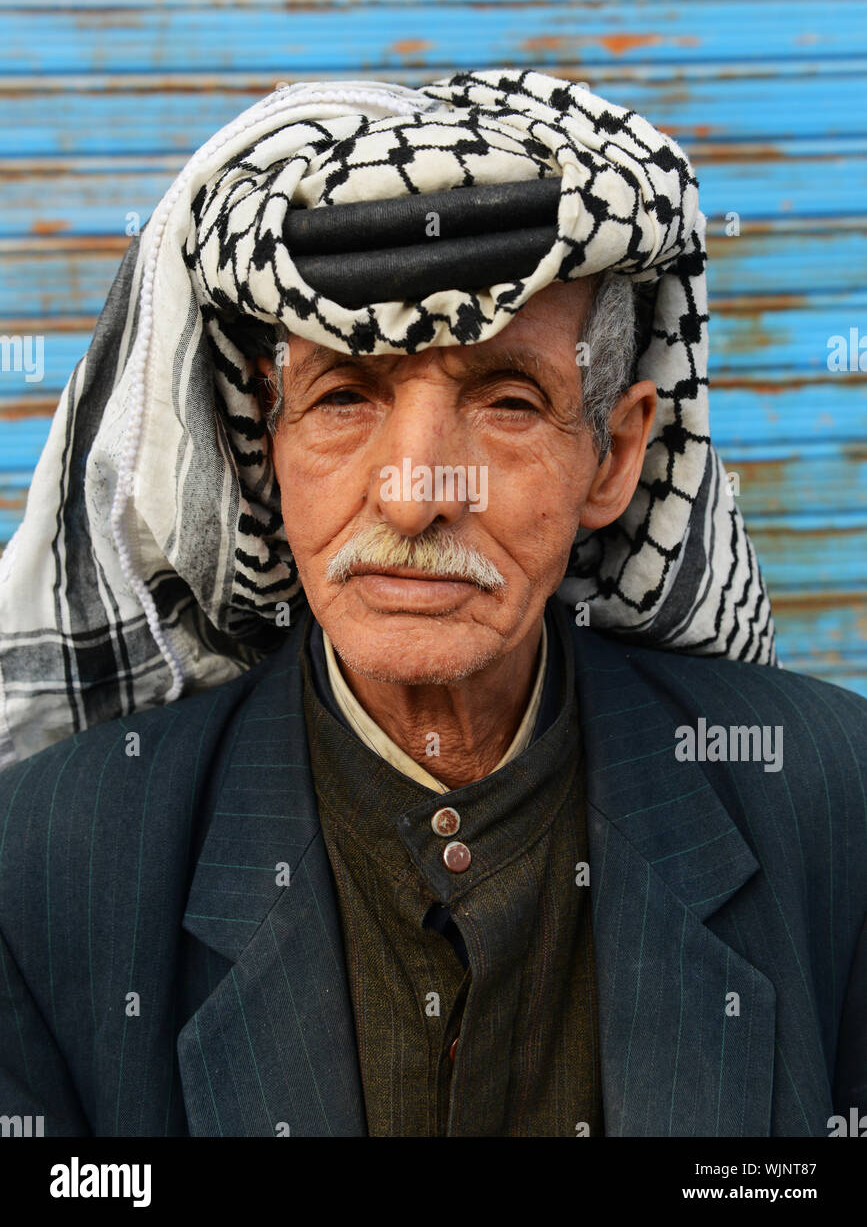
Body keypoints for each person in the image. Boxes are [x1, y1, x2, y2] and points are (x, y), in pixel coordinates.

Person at [0, 71, 863, 1138]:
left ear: (616, 454)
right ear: (269, 451)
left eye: (507, 400)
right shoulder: (46, 873)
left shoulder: (834, 813)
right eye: (344, 398)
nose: (414, 495)